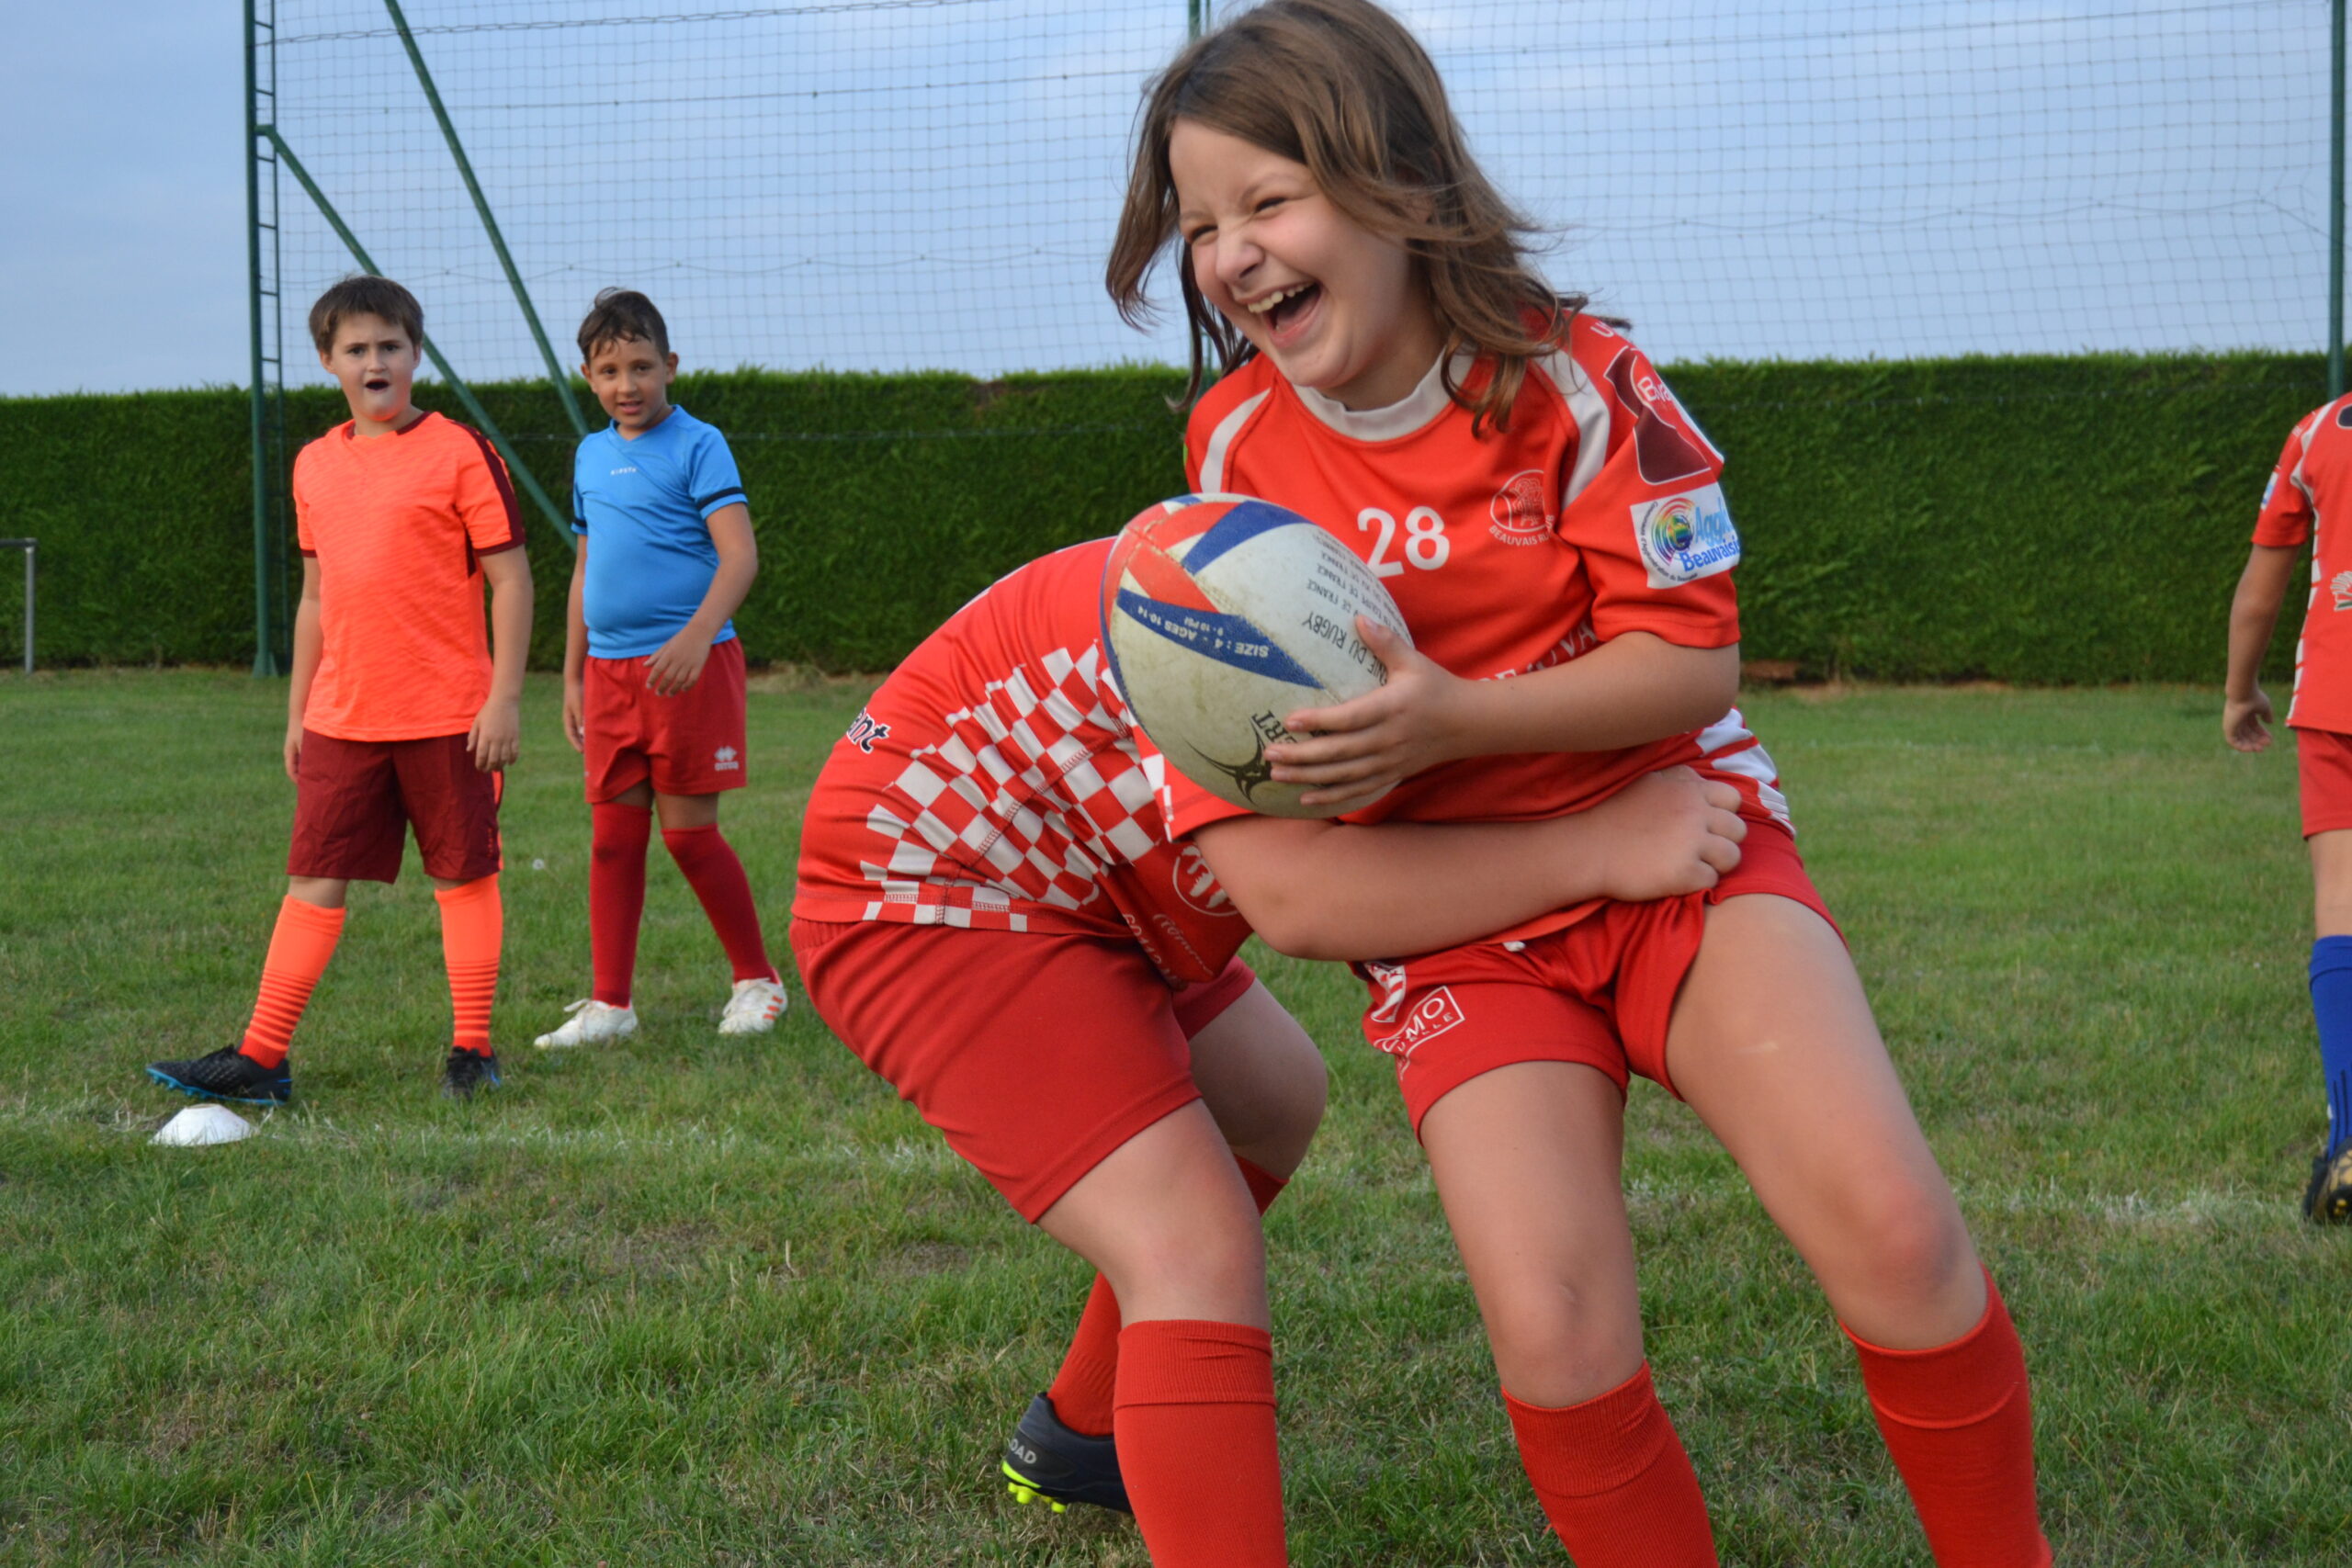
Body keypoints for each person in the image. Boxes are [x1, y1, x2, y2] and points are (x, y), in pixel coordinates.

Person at [1101, 4, 2054, 1563]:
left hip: (1687, 843)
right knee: (1552, 1330)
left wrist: (1445, 721)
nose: (1231, 257)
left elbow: (1696, 665)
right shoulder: (1228, 457)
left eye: (1268, 203)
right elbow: (1271, 810)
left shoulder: (1579, 378)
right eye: (1203, 225)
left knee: (1892, 1224)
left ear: (1396, 180)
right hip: (1465, 917)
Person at [790, 533, 1748, 1567]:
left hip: (1078, 884)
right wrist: (1595, 846)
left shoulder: (1332, 558)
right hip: (927, 888)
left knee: (1275, 1095)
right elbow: (1301, 898)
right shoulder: (1245, 597)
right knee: (1189, 1249)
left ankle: (1079, 1436)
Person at [148, 274, 532, 1103]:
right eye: (356, 349)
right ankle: (262, 1056)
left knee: (463, 876)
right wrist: (298, 711)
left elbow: (512, 580)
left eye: (390, 346)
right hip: (341, 715)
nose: (375, 361)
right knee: (314, 877)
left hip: (449, 716)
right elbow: (317, 597)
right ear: (328, 362)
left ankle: (472, 1049)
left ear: (416, 355)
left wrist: (503, 697)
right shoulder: (315, 464)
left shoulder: (463, 450)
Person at [534, 288, 787, 1049]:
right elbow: (585, 569)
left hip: (691, 668)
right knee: (613, 839)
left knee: (687, 837)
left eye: (641, 366)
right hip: (609, 678)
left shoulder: (699, 443)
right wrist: (572, 674)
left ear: (670, 366)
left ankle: (758, 981)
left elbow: (740, 555)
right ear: (588, 376)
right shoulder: (589, 454)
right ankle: (611, 1004)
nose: (627, 385)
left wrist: (694, 635)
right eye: (610, 370)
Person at [2224, 396, 2352, 1222]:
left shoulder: (2315, 432)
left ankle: (2351, 1136)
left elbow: (2262, 594)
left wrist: (2240, 691)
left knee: (2342, 902)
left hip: (2336, 695)